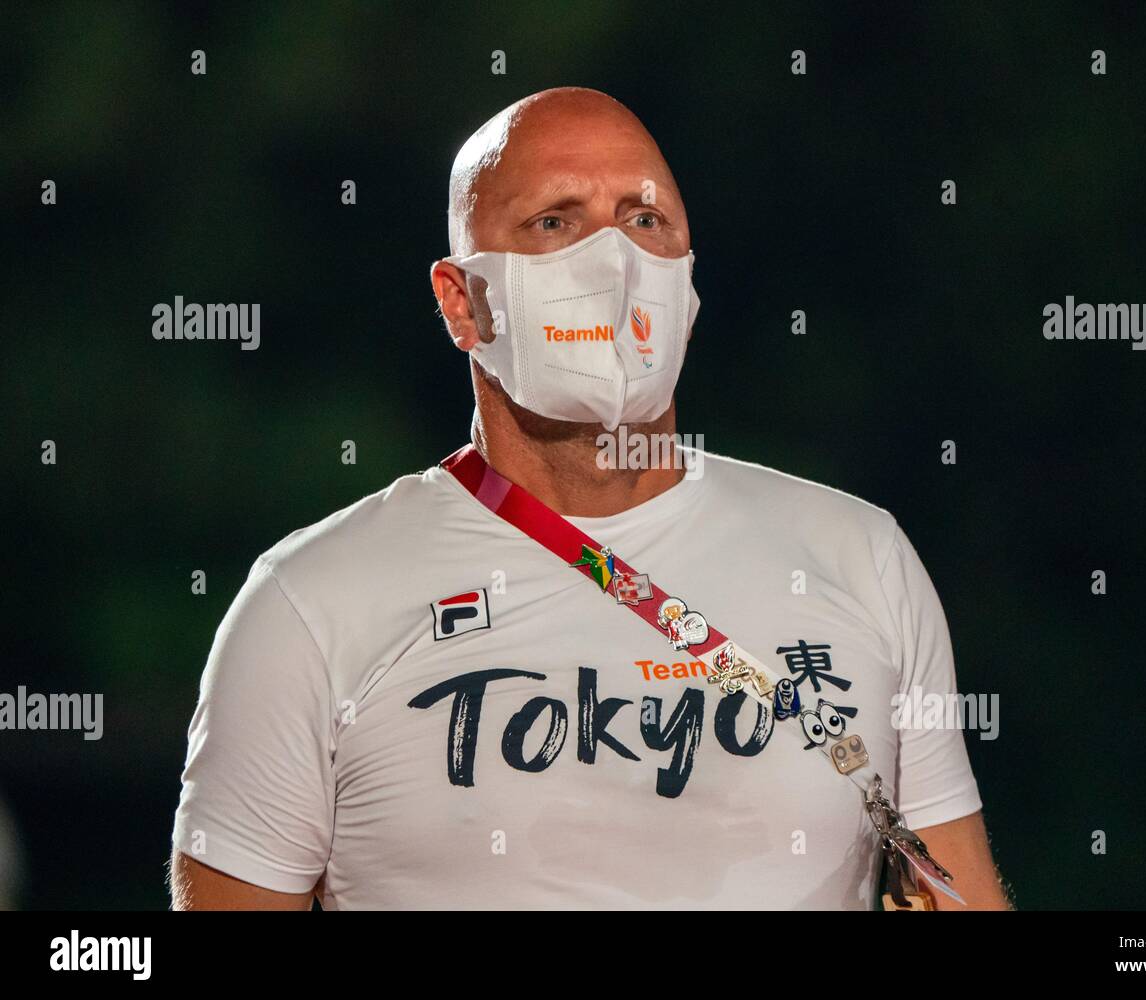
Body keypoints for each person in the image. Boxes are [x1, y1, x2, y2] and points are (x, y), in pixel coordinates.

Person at [169, 87, 1009, 910]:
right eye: (555, 222)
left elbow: (953, 886)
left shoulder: (859, 557)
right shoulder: (310, 603)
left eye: (645, 221)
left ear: (688, 279)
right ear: (461, 302)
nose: (614, 261)